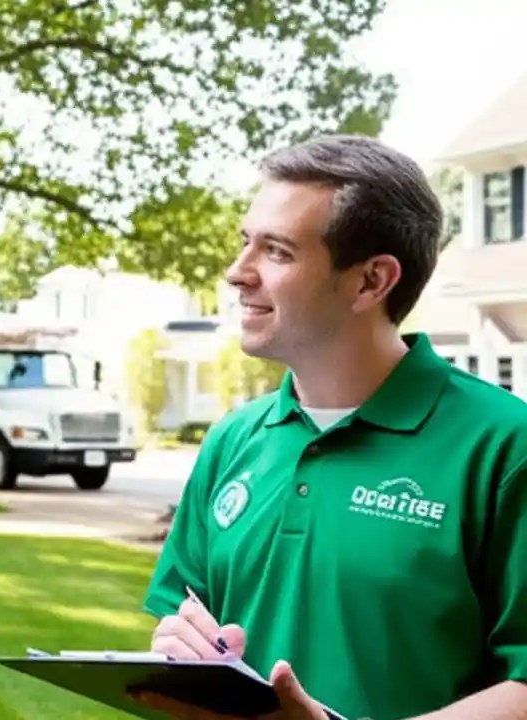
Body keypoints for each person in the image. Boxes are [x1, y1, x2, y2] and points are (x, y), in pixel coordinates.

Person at [133, 135, 527, 720]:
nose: (238, 273)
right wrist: (178, 651)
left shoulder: (503, 445)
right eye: (246, 243)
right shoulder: (233, 440)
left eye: (278, 251)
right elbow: (188, 624)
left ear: (371, 281)